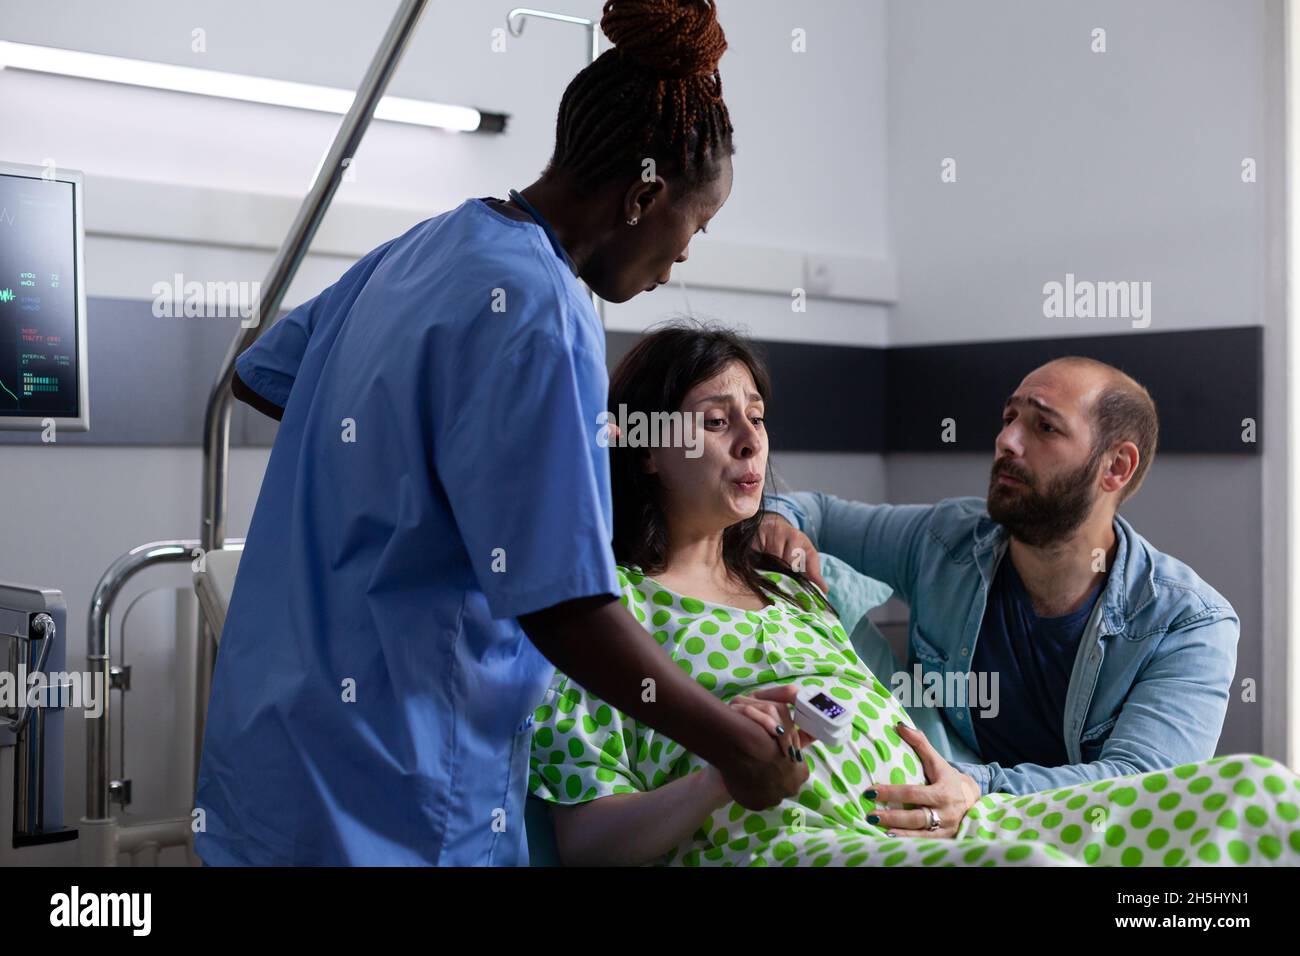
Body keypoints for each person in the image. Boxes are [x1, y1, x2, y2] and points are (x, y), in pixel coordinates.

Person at [195, 0, 807, 867]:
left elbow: (269, 382)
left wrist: (419, 478)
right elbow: (566, 609)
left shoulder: (423, 248)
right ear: (643, 196)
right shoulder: (543, 311)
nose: (682, 260)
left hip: (275, 759)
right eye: (692, 228)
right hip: (396, 788)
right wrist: (735, 746)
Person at [528, 323, 1299, 867]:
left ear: (1115, 468)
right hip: (790, 835)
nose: (752, 441)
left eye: (758, 419)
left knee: (1262, 793)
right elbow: (585, 838)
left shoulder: (791, 593)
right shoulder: (603, 615)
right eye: (716, 421)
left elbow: (1140, 779)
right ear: (650, 449)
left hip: (938, 809)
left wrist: (970, 792)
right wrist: (721, 773)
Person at [758, 356, 1240, 833]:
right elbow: (815, 511)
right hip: (933, 820)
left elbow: (1138, 789)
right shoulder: (945, 541)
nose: (1006, 441)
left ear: (1115, 466)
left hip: (1076, 839)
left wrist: (975, 788)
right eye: (1009, 418)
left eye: (1044, 427)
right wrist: (779, 522)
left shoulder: (1189, 623)